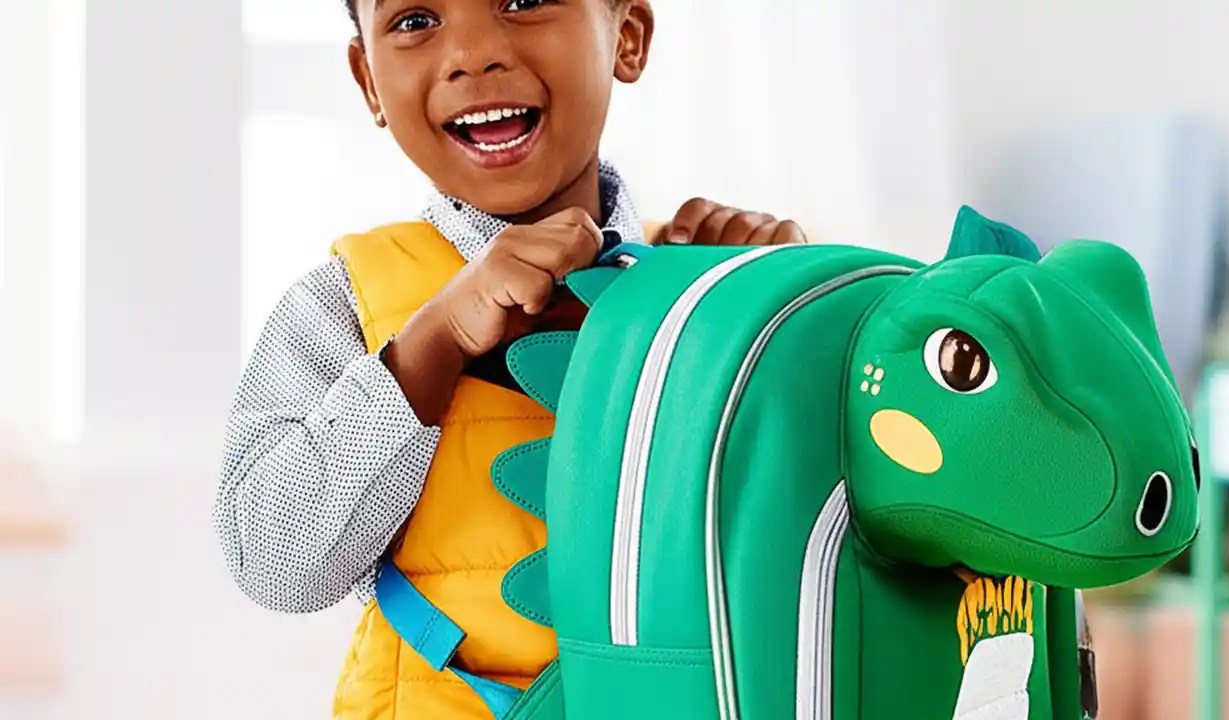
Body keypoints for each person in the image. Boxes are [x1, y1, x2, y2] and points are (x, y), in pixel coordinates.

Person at [213, 1, 806, 717]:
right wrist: (429, 347)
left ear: (627, 35)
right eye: (414, 20)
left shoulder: (720, 277)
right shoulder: (346, 302)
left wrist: (786, 326)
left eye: (524, 1)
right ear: (368, 78)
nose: (472, 53)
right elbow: (273, 563)